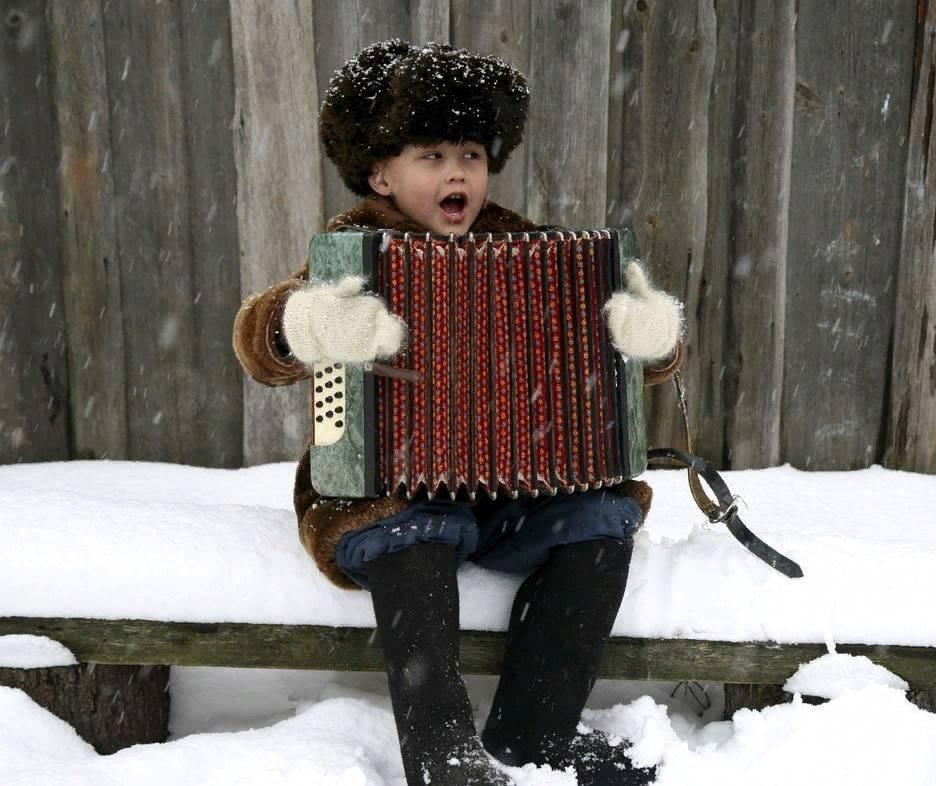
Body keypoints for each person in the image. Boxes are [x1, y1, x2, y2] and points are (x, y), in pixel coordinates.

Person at [231, 39, 684, 786]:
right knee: (414, 528)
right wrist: (300, 324)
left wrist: (650, 338)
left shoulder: (535, 251)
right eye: (431, 155)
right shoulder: (351, 254)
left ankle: (534, 735)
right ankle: (441, 752)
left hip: (516, 495)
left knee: (601, 522)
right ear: (381, 172)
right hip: (387, 496)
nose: (456, 173)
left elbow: (628, 352)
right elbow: (258, 343)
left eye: (471, 154)